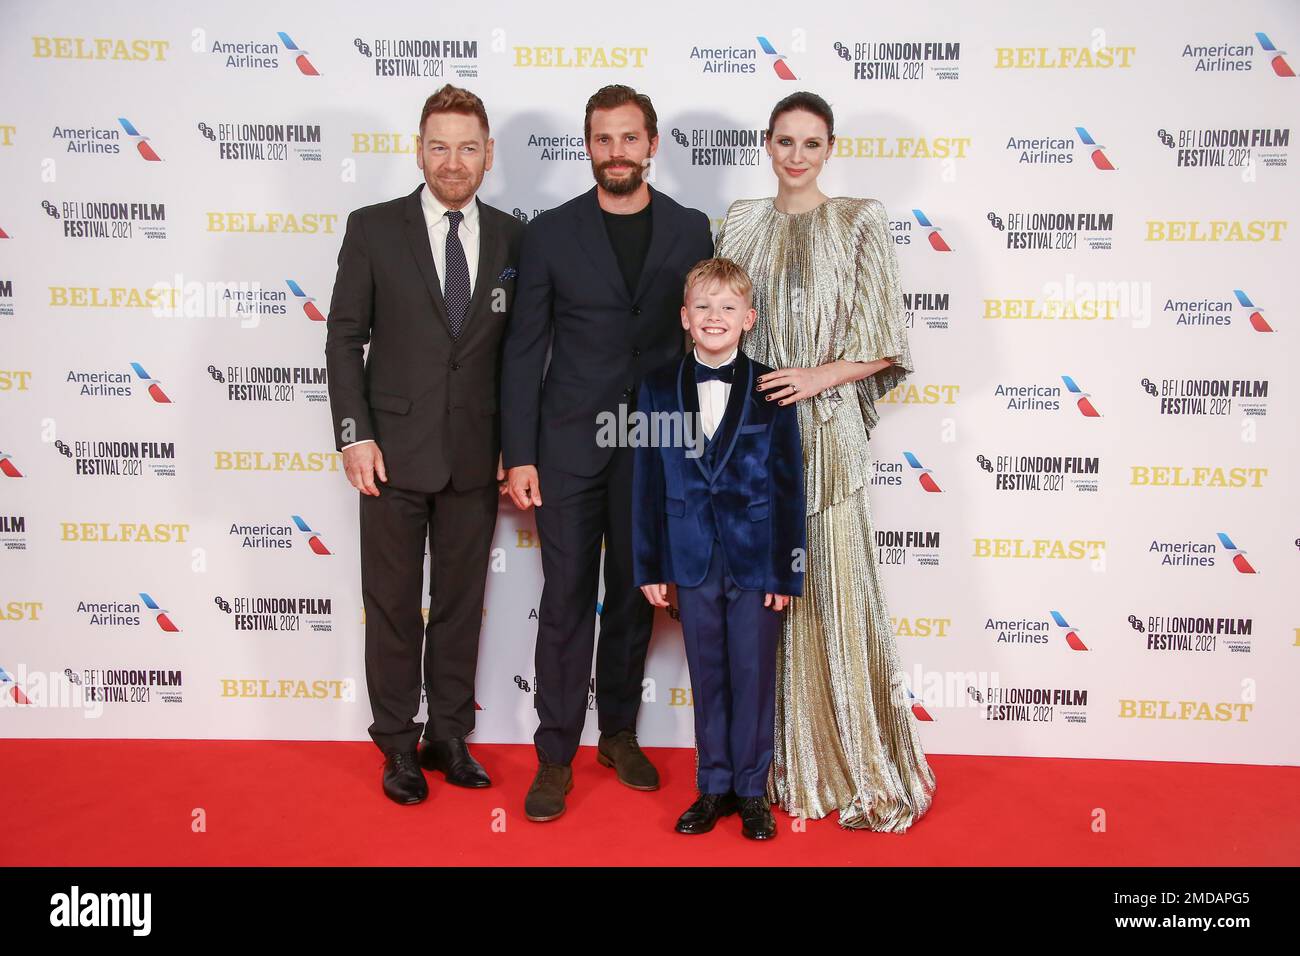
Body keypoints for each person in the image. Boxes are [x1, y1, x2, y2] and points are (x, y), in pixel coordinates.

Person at [715, 91, 937, 831]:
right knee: (763, 606)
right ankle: (767, 767)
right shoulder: (739, 222)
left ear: (830, 147)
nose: (798, 155)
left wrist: (816, 377)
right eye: (786, 141)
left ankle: (854, 760)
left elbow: (887, 340)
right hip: (751, 440)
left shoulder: (859, 220)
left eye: (812, 143)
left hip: (827, 439)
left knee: (834, 595)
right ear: (768, 144)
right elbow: (716, 324)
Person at [500, 84, 715, 822]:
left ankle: (618, 734)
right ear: (587, 146)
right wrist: (518, 452)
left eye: (630, 138)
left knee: (632, 593)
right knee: (564, 600)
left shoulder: (691, 229)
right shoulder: (551, 234)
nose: (617, 152)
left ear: (652, 144)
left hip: (652, 443)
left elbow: (705, 346)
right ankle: (555, 754)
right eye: (603, 139)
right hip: (565, 444)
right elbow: (525, 349)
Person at [325, 86, 524, 805]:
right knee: (392, 602)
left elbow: (520, 354)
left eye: (468, 146)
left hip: (477, 455)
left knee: (461, 603)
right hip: (390, 455)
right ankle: (397, 744)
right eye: (438, 146)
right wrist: (355, 435)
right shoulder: (374, 228)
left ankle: (448, 734)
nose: (453, 161)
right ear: (418, 149)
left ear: (489, 154)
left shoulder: (512, 237)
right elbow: (345, 337)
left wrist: (517, 444)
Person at [632, 258, 805, 840]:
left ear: (748, 319)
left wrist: (787, 570)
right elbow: (646, 481)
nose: (714, 317)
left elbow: (788, 486)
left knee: (752, 674)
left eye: (727, 308)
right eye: (703, 307)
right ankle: (713, 787)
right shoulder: (657, 387)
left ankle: (752, 792)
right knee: (708, 675)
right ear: (684, 316)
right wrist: (651, 562)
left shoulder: (774, 388)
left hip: (758, 559)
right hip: (691, 558)